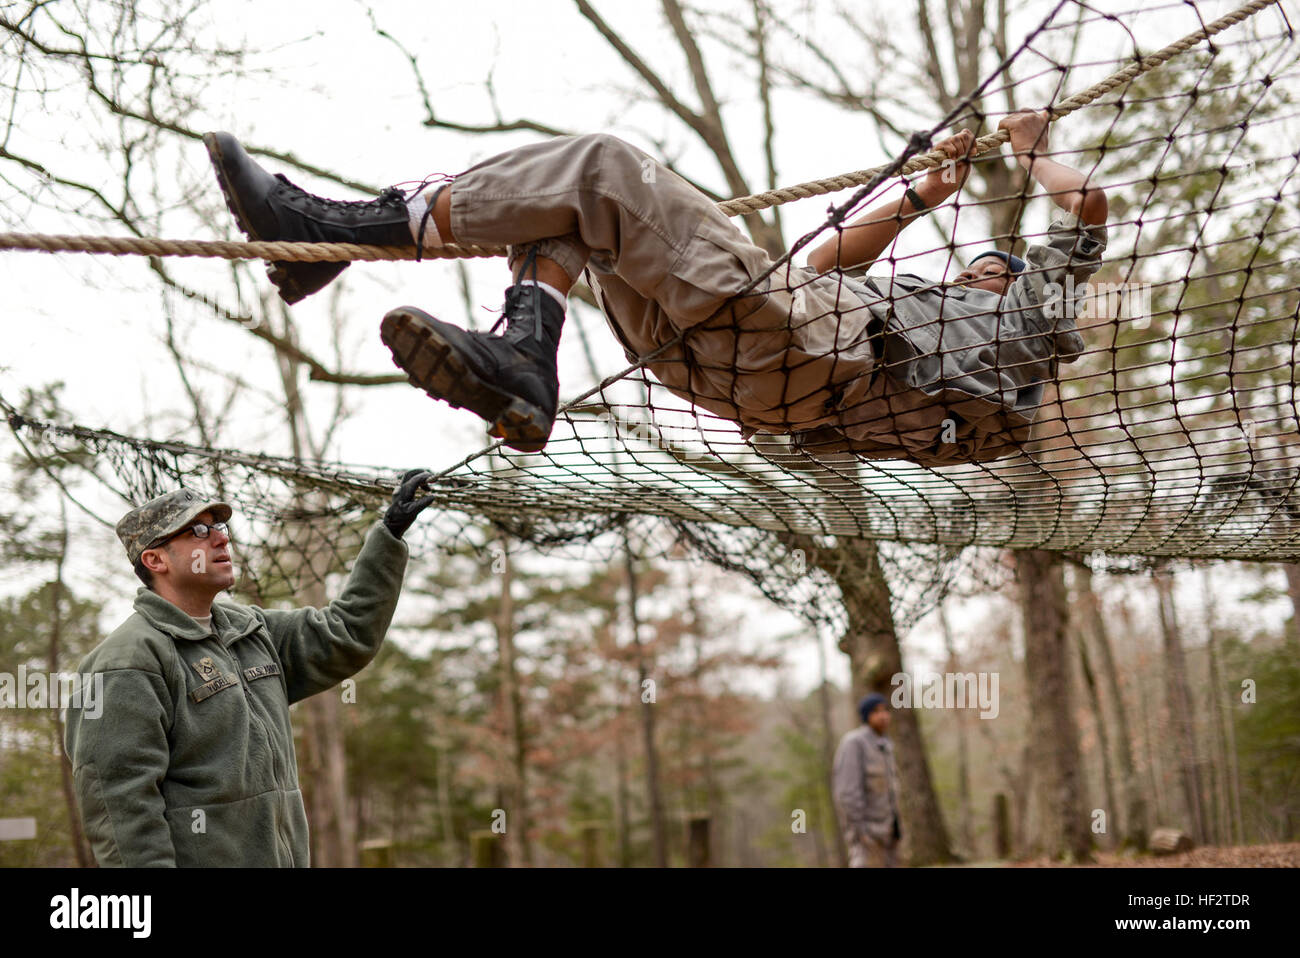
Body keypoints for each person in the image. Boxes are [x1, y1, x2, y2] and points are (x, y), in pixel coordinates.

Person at [203, 109, 1106, 463]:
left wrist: (1031, 151)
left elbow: (1092, 211)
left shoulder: (1032, 325)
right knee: (563, 216)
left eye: (1000, 269)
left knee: (600, 166)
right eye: (983, 262)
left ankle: (330, 233)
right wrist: (919, 194)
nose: (986, 267)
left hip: (800, 355)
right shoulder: (924, 313)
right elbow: (821, 267)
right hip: (728, 375)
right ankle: (526, 357)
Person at [63, 472, 437, 867]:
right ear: (155, 560)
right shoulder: (126, 664)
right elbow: (121, 811)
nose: (222, 538)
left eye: (219, 527)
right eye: (198, 531)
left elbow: (346, 635)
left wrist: (389, 534)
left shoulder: (252, 631)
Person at [832, 692, 901, 868]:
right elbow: (847, 792)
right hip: (867, 835)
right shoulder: (854, 743)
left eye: (886, 710)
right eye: (876, 711)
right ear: (866, 716)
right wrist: (860, 830)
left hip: (889, 832)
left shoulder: (885, 745)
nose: (883, 715)